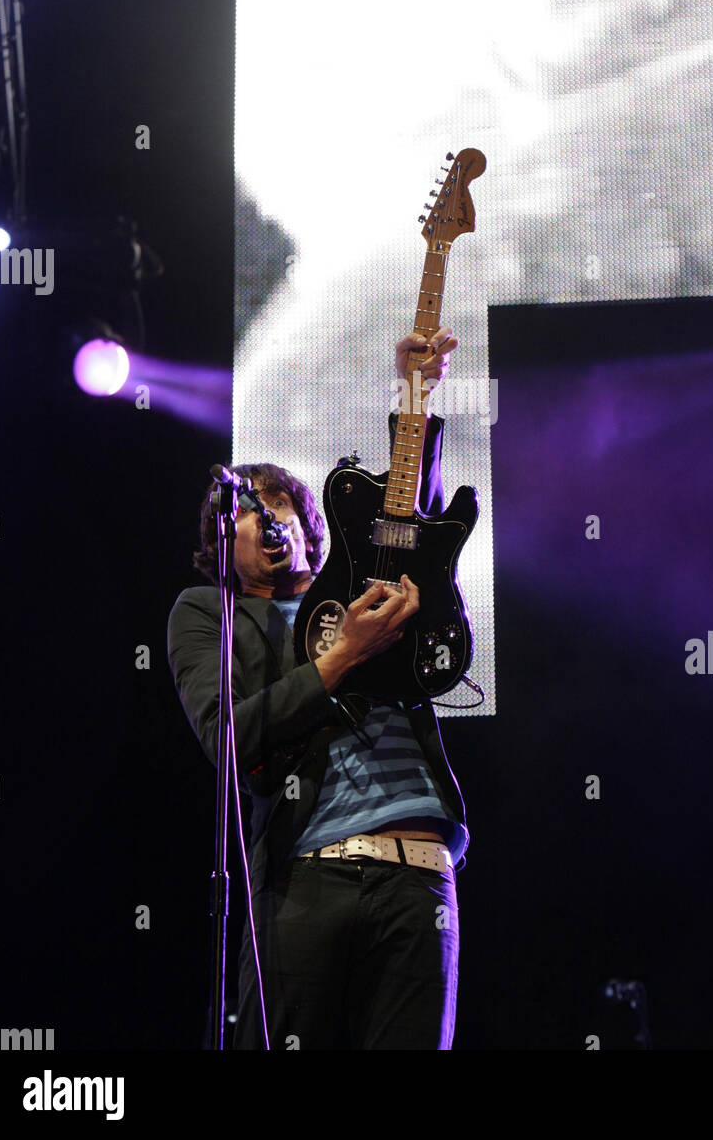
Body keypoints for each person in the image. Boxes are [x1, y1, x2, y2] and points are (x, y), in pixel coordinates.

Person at [167, 329, 468, 1050]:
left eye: (280, 508)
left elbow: (410, 518)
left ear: (310, 526)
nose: (267, 520)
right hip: (306, 876)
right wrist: (340, 662)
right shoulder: (210, 611)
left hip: (417, 870)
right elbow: (227, 738)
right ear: (220, 542)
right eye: (248, 511)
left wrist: (415, 391)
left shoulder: (359, 591)